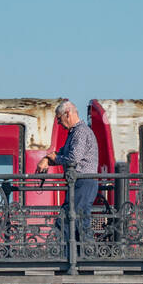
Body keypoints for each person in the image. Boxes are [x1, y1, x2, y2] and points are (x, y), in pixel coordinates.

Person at [37, 100, 99, 250]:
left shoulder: (80, 132)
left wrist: (54, 159)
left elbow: (73, 158)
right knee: (74, 220)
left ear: (67, 113)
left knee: (73, 220)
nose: (58, 123)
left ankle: (81, 257)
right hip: (81, 182)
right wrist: (47, 159)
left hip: (83, 181)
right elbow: (62, 153)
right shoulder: (75, 133)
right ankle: (76, 257)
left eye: (59, 118)